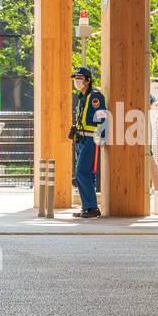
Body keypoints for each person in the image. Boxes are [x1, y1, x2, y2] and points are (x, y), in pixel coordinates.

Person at [70, 66, 106, 217]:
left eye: (80, 79)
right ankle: (87, 207)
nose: (77, 81)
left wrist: (101, 137)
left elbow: (103, 116)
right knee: (86, 174)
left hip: (91, 139)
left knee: (81, 172)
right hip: (81, 139)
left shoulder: (95, 96)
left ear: (88, 80)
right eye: (76, 79)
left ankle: (92, 208)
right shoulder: (81, 97)